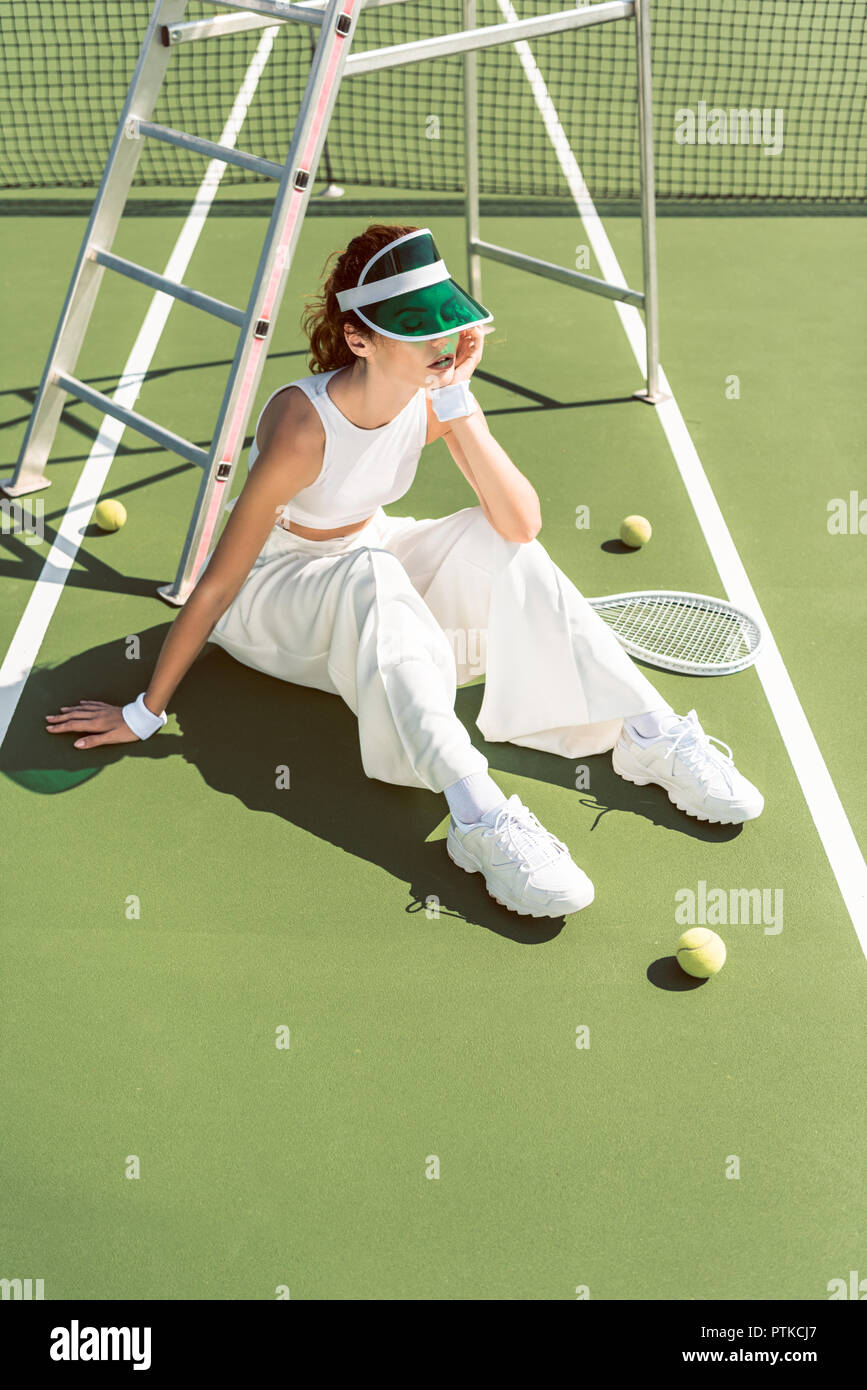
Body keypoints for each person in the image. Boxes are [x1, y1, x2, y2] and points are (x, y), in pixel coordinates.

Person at [45, 223, 763, 919]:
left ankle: (644, 732)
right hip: (273, 598)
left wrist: (457, 402)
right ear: (358, 338)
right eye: (416, 330)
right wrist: (144, 712)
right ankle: (477, 814)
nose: (439, 341)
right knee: (375, 578)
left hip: (368, 551)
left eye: (443, 324)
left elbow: (520, 525)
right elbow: (219, 582)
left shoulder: (435, 397)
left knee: (491, 540)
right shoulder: (301, 426)